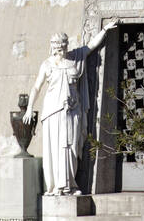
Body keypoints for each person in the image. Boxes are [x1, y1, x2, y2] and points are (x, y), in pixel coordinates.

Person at [25, 19, 119, 194]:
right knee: (56, 147)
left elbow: (91, 46)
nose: (60, 50)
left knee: (71, 146)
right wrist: (30, 107)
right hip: (53, 111)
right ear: (52, 47)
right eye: (57, 48)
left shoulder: (76, 57)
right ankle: (55, 186)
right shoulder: (47, 64)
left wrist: (105, 29)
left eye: (62, 47)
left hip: (73, 109)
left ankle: (69, 184)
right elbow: (36, 87)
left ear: (66, 46)